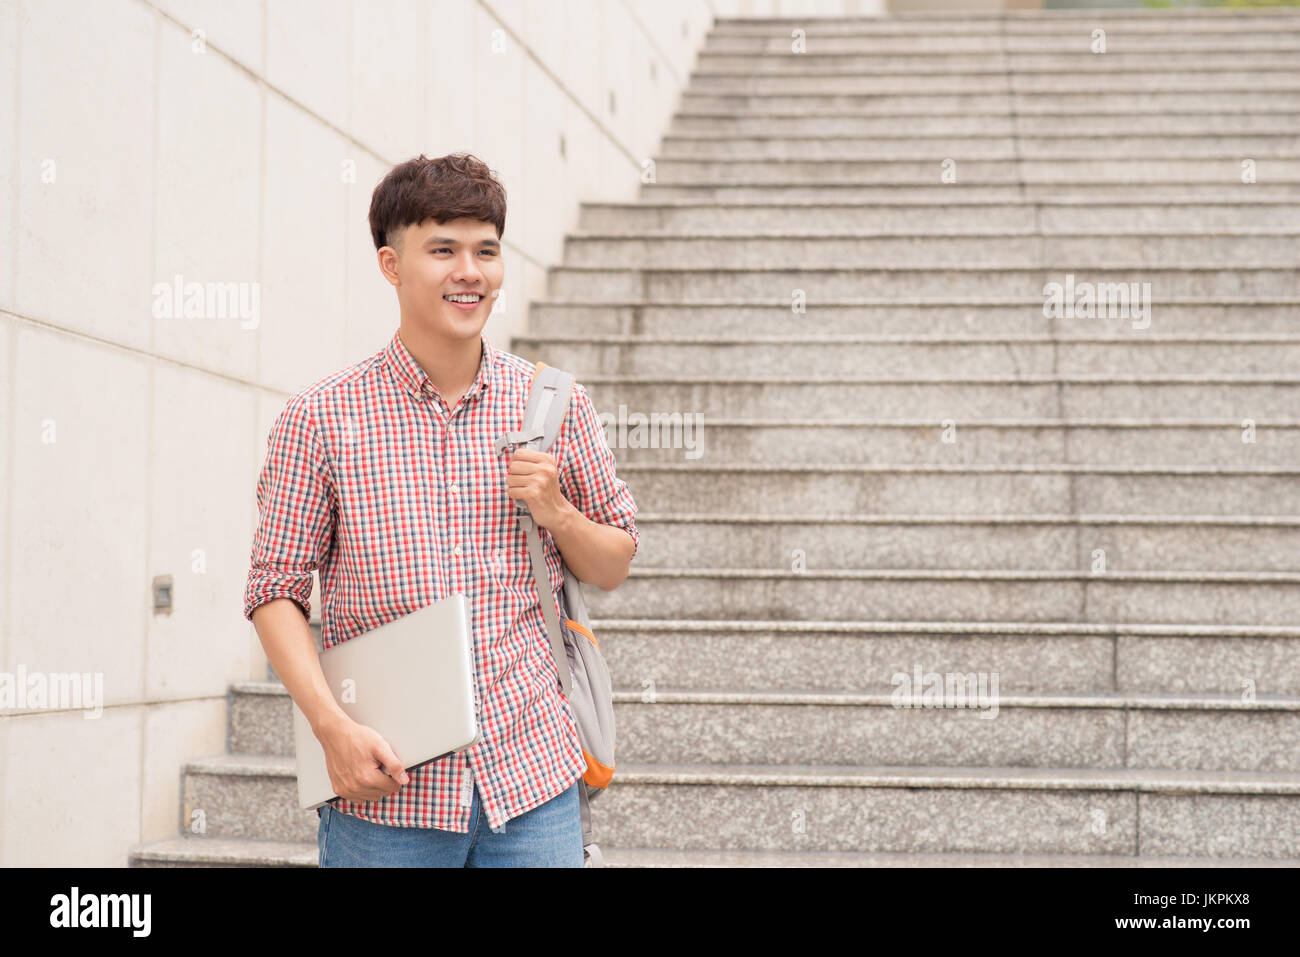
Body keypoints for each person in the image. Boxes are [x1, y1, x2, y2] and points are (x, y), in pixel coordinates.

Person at [242, 152, 638, 867]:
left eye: (486, 250)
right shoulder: (322, 418)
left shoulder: (553, 404)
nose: (471, 272)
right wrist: (331, 727)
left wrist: (559, 514)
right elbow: (274, 592)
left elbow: (615, 559)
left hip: (534, 780)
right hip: (386, 789)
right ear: (392, 266)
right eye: (444, 250)